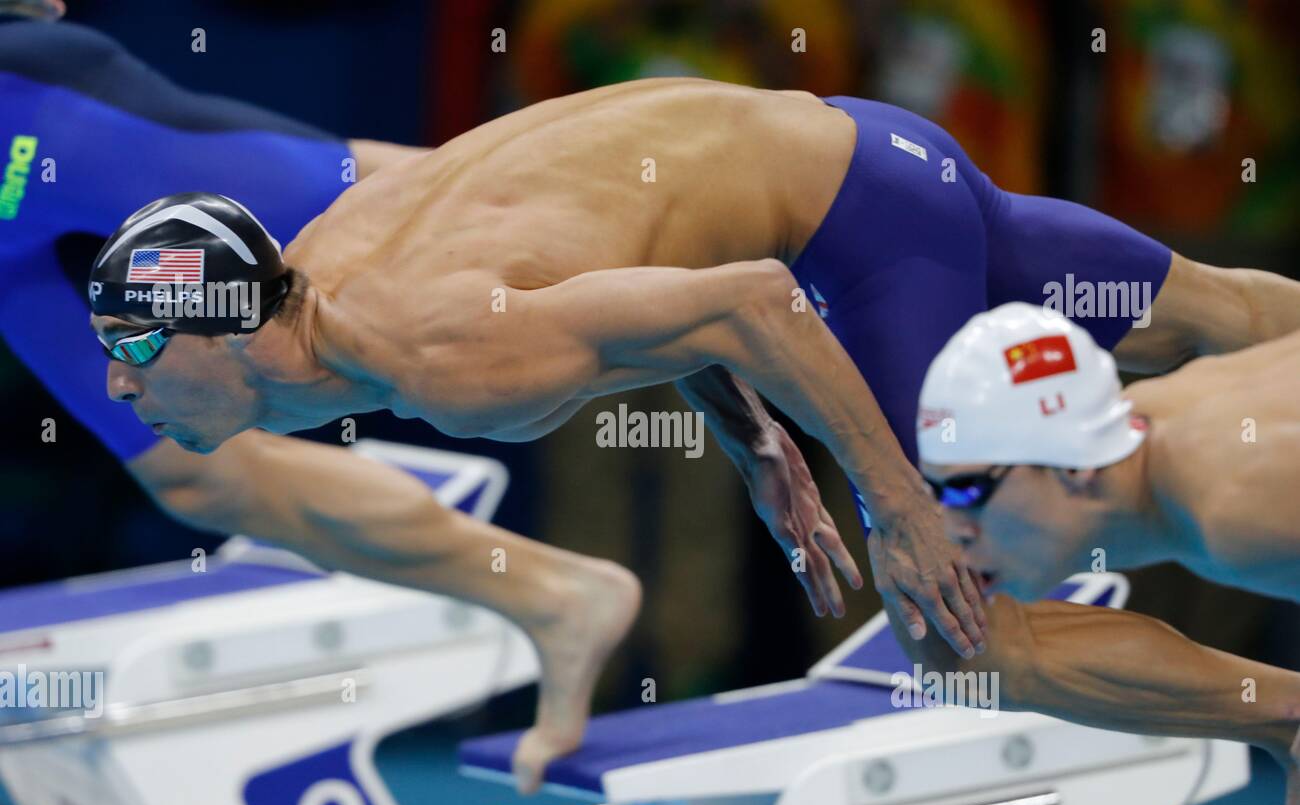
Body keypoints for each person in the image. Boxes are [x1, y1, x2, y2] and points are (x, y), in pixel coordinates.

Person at [89, 78, 1300, 661]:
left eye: (133, 347)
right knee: (1213, 312)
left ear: (230, 328)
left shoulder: (444, 356)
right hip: (869, 153)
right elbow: (627, 257)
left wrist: (896, 507)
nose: (117, 388)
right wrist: (753, 436)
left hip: (850, 238)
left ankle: (1278, 719)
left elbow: (751, 299)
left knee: (960, 620)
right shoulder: (321, 259)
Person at [0, 5, 872, 792]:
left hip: (53, 127)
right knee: (197, 480)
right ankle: (556, 596)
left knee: (441, 209)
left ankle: (810, 291)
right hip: (12, 241)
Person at [914, 301, 1300, 805]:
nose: (952, 528)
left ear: (1073, 468)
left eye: (969, 490)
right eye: (938, 491)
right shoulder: (1120, 448)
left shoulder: (1235, 505)